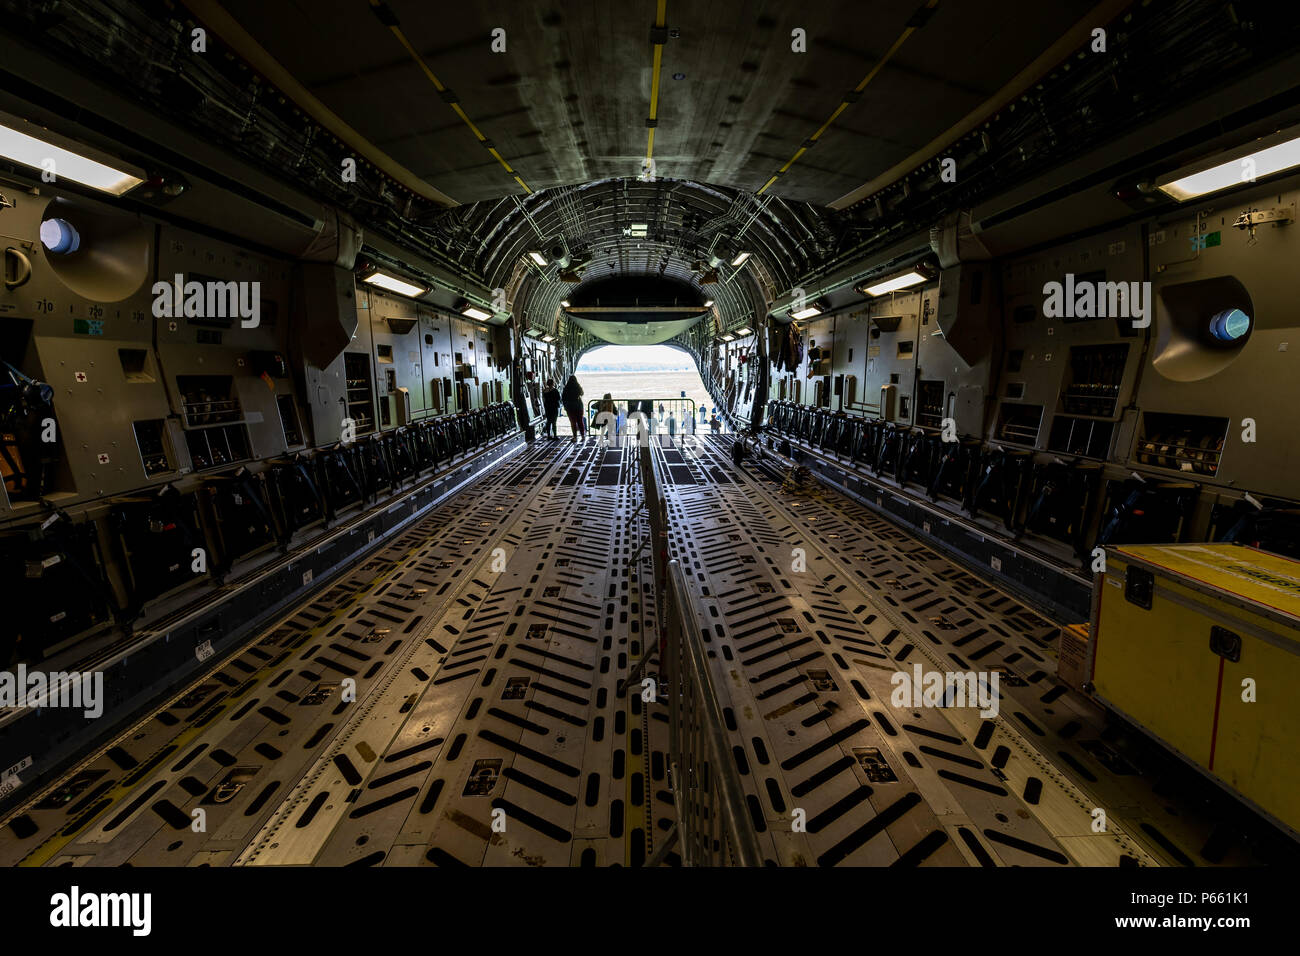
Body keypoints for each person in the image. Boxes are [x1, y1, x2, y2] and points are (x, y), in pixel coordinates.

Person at [561, 374, 585, 442]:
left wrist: (565, 406)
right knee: (580, 421)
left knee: (573, 422)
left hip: (570, 407)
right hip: (579, 407)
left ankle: (575, 437)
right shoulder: (578, 387)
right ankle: (583, 436)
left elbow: (563, 398)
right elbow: (582, 393)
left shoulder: (566, 388)